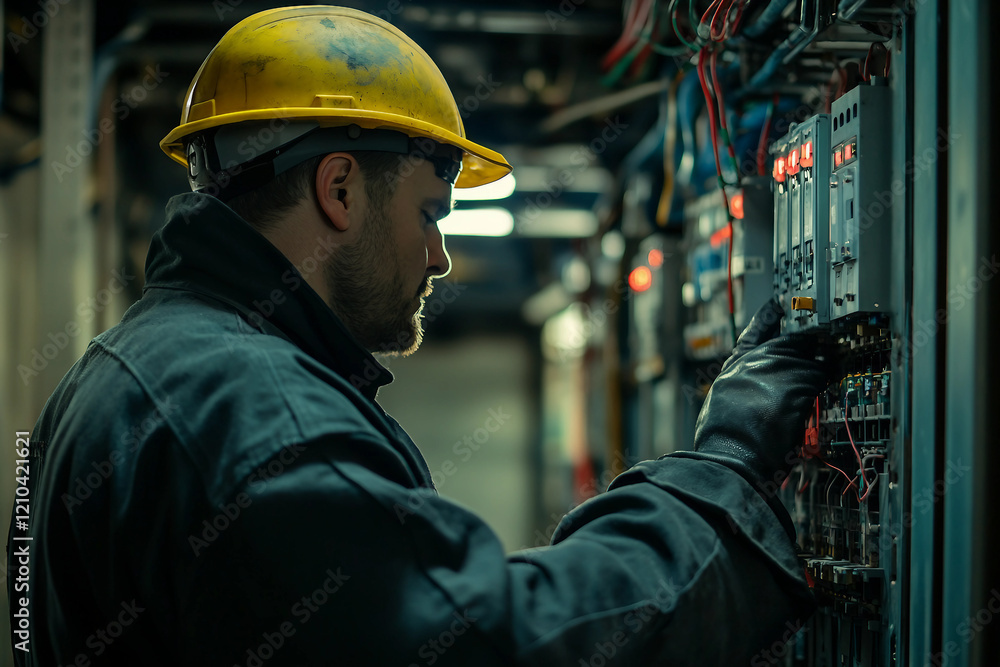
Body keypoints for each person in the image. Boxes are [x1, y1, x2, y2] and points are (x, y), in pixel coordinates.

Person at [7, 6, 834, 665]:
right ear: (339, 188)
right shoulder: (253, 411)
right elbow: (495, 645)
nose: (439, 258)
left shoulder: (121, 372)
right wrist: (721, 473)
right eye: (432, 214)